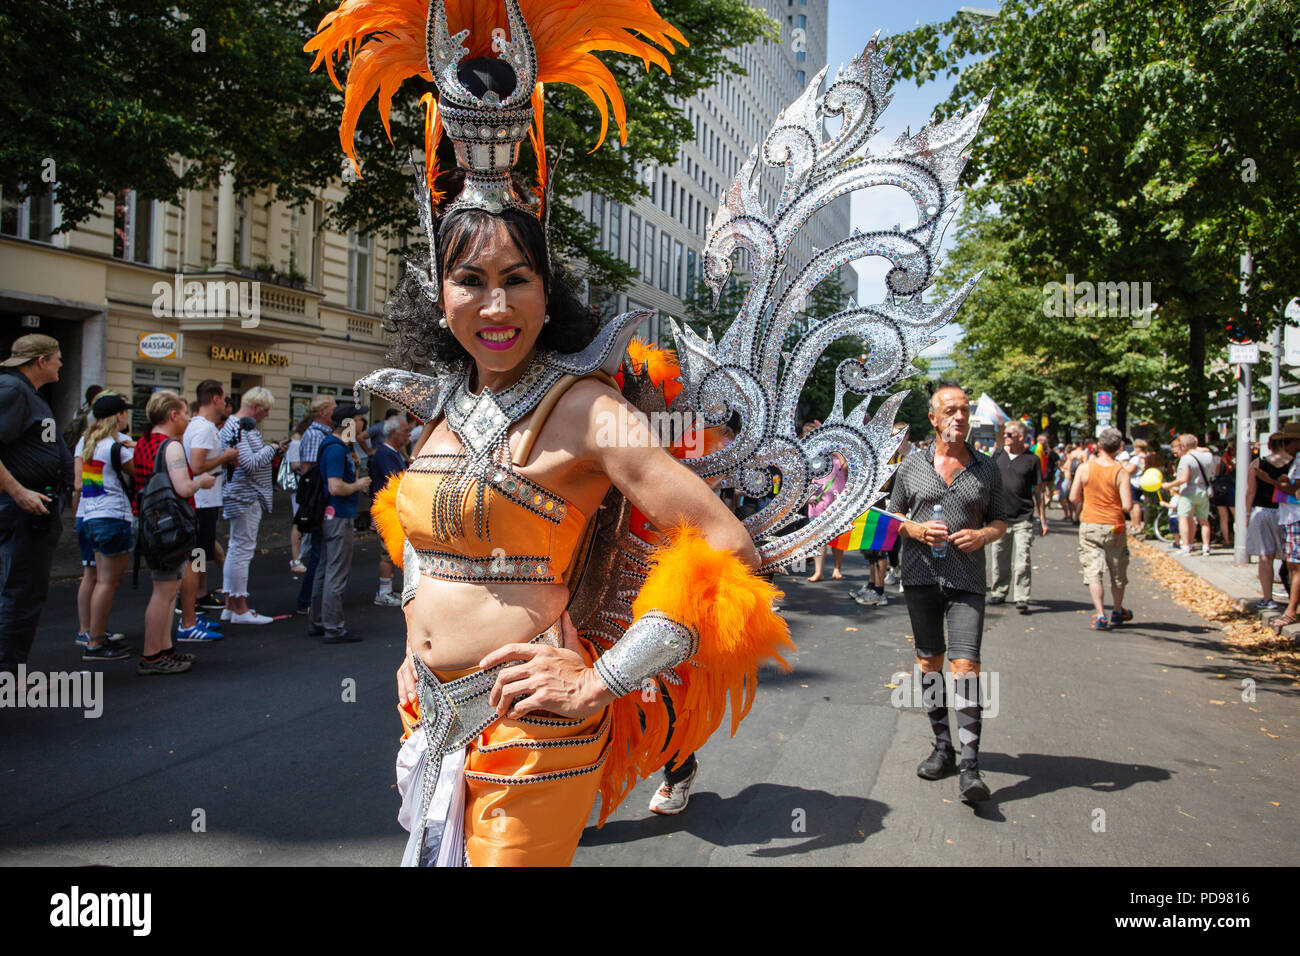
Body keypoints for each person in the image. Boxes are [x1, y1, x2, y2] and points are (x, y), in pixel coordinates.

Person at [888, 383, 1006, 802]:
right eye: (951, 411)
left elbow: (1000, 522)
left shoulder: (986, 468)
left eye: (965, 411)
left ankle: (971, 767)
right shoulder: (910, 466)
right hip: (920, 577)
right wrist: (916, 529)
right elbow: (894, 516)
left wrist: (983, 535)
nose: (960, 418)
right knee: (928, 662)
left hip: (967, 580)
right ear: (934, 420)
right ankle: (943, 746)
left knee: (966, 667)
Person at [0, 334, 73, 673]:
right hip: (20, 509)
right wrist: (18, 491)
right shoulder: (13, 390)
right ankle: (7, 673)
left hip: (34, 508)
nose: (61, 363)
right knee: (20, 592)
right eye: (57, 357)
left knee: (25, 591)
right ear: (41, 360)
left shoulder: (29, 394)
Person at [132, 391, 216, 675]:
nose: (189, 418)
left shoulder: (142, 443)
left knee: (167, 590)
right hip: (169, 525)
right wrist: (202, 481)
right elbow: (182, 488)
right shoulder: (171, 447)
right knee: (165, 592)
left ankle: (165, 649)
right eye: (185, 413)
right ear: (172, 415)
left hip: (151, 522)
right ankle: (152, 654)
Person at [72, 392, 136, 660]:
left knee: (95, 577)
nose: (127, 416)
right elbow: (140, 473)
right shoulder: (116, 449)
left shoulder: (87, 443)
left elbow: (78, 484)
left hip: (89, 515)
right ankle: (96, 642)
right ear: (118, 416)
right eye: (125, 412)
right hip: (112, 516)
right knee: (108, 582)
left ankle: (90, 633)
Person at [219, 387, 285, 624]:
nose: (266, 415)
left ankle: (231, 605)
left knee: (236, 548)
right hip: (246, 495)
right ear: (256, 407)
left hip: (241, 494)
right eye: (266, 410)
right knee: (241, 550)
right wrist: (274, 448)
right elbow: (249, 463)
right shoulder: (240, 426)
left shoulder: (236, 425)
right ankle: (240, 609)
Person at [309, 404, 370, 642]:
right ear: (347, 423)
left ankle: (318, 621)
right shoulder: (336, 449)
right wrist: (359, 485)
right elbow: (336, 486)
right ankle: (333, 627)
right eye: (358, 420)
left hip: (330, 515)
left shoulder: (336, 445)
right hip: (338, 515)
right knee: (336, 571)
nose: (362, 424)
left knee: (325, 569)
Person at [182, 379, 236, 638]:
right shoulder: (203, 429)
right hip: (202, 500)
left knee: (202, 552)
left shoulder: (202, 426)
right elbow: (196, 465)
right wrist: (225, 458)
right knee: (196, 556)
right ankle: (189, 612)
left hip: (207, 500)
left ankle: (199, 598)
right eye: (224, 398)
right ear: (214, 398)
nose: (226, 403)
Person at [1069, 427, 1136, 630]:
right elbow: (1127, 505)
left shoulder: (1084, 468)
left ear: (1099, 445)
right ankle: (1117, 610)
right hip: (1113, 525)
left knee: (1093, 571)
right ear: (1118, 448)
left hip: (1089, 523)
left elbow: (1073, 497)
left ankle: (1100, 614)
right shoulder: (1120, 471)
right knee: (1117, 570)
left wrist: (1086, 503)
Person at [989, 421, 1047, 613]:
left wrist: (1042, 519)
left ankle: (1022, 596)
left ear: (1021, 437)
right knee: (999, 558)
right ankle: (999, 591)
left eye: (1009, 435)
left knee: (1023, 560)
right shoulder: (998, 454)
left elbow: (1038, 492)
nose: (1005, 437)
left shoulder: (1032, 460)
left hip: (1023, 517)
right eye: (1005, 434)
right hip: (999, 517)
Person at [294, 394, 336, 613]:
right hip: (318, 500)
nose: (336, 413)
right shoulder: (314, 435)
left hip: (324, 498)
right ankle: (307, 600)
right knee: (317, 553)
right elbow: (308, 471)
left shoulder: (325, 433)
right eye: (333, 408)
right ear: (322, 412)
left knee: (322, 552)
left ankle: (313, 598)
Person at [1245, 431, 1293, 610]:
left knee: (1265, 556)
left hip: (1263, 511)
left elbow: (1250, 491)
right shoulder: (1293, 464)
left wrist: (1247, 513)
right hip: (1286, 511)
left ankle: (1267, 598)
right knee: (1290, 558)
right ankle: (1292, 598)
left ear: (1270, 445)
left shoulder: (1258, 464)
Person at [368, 414, 410, 606]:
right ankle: (383, 592)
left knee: (394, 551)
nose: (408, 435)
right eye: (405, 432)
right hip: (387, 510)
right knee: (387, 552)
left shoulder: (392, 453)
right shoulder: (386, 454)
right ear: (393, 433)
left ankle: (388, 590)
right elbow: (396, 480)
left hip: (391, 508)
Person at [1265, 424, 1300, 630]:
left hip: (1296, 517)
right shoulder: (1295, 460)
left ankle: (1291, 611)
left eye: (1287, 442)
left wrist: (1269, 480)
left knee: (1295, 566)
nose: (1284, 446)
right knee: (1290, 565)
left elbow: (1293, 486)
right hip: (1290, 516)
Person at [1162, 433, 1214, 555]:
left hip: (1188, 491)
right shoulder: (1208, 456)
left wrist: (1169, 485)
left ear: (1184, 445)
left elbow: (1184, 478)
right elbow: (1212, 471)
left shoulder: (1186, 458)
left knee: (1184, 518)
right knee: (1204, 520)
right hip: (1204, 490)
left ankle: (1186, 546)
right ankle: (1206, 546)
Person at [806, 451, 845, 582]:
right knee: (819, 540)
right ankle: (819, 572)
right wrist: (810, 496)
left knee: (837, 540)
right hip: (817, 505)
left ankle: (837, 568)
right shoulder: (815, 459)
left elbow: (846, 468)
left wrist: (838, 454)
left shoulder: (840, 459)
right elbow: (810, 479)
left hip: (837, 506)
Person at [285, 415, 311, 574]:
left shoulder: (298, 439)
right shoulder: (296, 440)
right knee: (299, 520)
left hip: (303, 484)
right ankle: (296, 559)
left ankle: (299, 556)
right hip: (299, 486)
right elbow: (295, 464)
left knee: (302, 520)